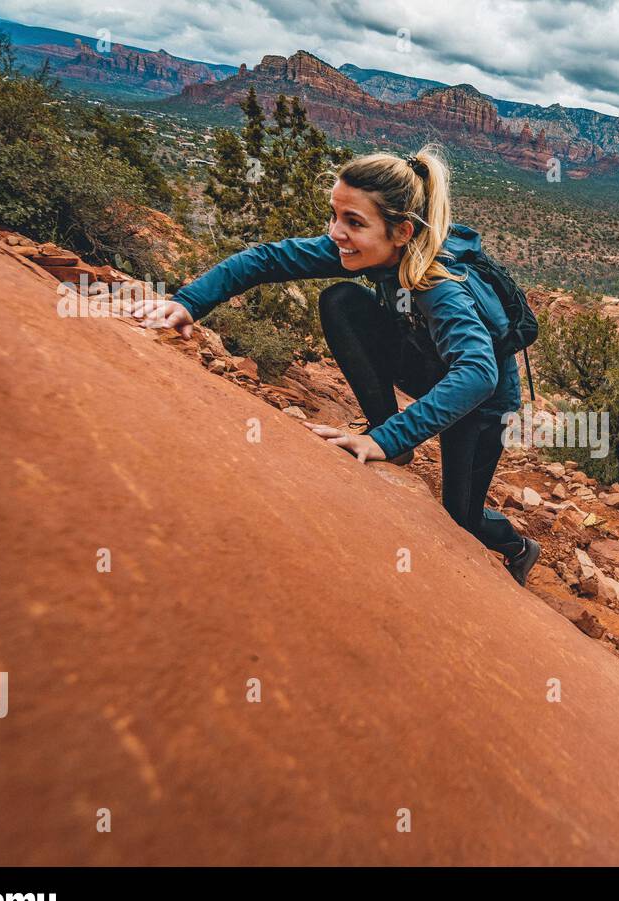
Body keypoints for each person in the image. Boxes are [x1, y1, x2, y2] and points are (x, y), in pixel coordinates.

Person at [127, 144, 543, 586]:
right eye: (335, 216)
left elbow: (478, 373)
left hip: (482, 404)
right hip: (429, 363)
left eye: (353, 222)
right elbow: (266, 259)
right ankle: (393, 441)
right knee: (342, 300)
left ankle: (518, 548)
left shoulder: (442, 287)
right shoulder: (364, 249)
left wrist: (384, 439)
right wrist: (189, 303)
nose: (336, 233)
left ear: (401, 232)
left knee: (462, 514)